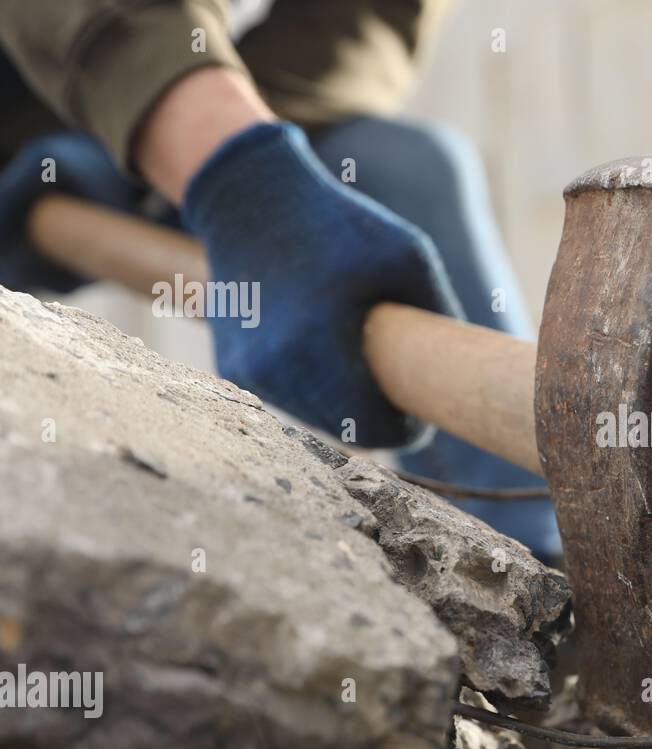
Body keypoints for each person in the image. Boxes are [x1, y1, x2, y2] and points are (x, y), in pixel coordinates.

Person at [0, 0, 559, 558]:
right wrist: (238, 180)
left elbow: (364, 18)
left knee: (403, 164)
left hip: (105, 117)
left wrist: (206, 152)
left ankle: (540, 561)